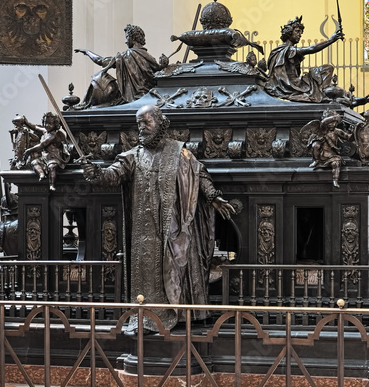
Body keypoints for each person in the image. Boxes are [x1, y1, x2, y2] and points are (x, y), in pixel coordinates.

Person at [80, 105, 239, 333]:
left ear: (160, 122)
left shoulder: (179, 152)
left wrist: (213, 197)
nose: (142, 128)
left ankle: (181, 315)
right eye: (139, 124)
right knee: (148, 272)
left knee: (178, 267)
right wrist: (95, 173)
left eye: (147, 122)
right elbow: (112, 175)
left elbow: (198, 173)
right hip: (144, 231)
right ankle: (147, 318)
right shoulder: (132, 156)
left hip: (173, 226)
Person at [75, 24, 160, 108]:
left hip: (129, 98)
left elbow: (100, 60)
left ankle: (85, 104)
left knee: (100, 77)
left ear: (133, 38)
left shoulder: (125, 56)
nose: (125, 41)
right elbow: (159, 72)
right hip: (148, 97)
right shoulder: (149, 58)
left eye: (127, 37)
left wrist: (87, 52)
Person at [265, 16, 343, 102]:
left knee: (325, 76)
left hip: (295, 84)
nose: (299, 35)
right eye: (297, 31)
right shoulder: (287, 50)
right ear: (289, 32)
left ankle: (326, 93)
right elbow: (311, 49)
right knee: (327, 68)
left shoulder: (284, 50)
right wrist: (331, 39)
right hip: (293, 86)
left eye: (301, 33)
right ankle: (324, 94)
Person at [25, 111, 71, 190]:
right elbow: (35, 127)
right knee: (34, 162)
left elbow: (42, 145)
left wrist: (29, 150)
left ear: (55, 124)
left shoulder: (53, 135)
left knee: (51, 167)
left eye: (50, 123)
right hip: (45, 157)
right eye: (45, 123)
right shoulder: (45, 131)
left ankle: (52, 184)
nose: (47, 125)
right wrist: (26, 122)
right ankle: (41, 174)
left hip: (55, 157)